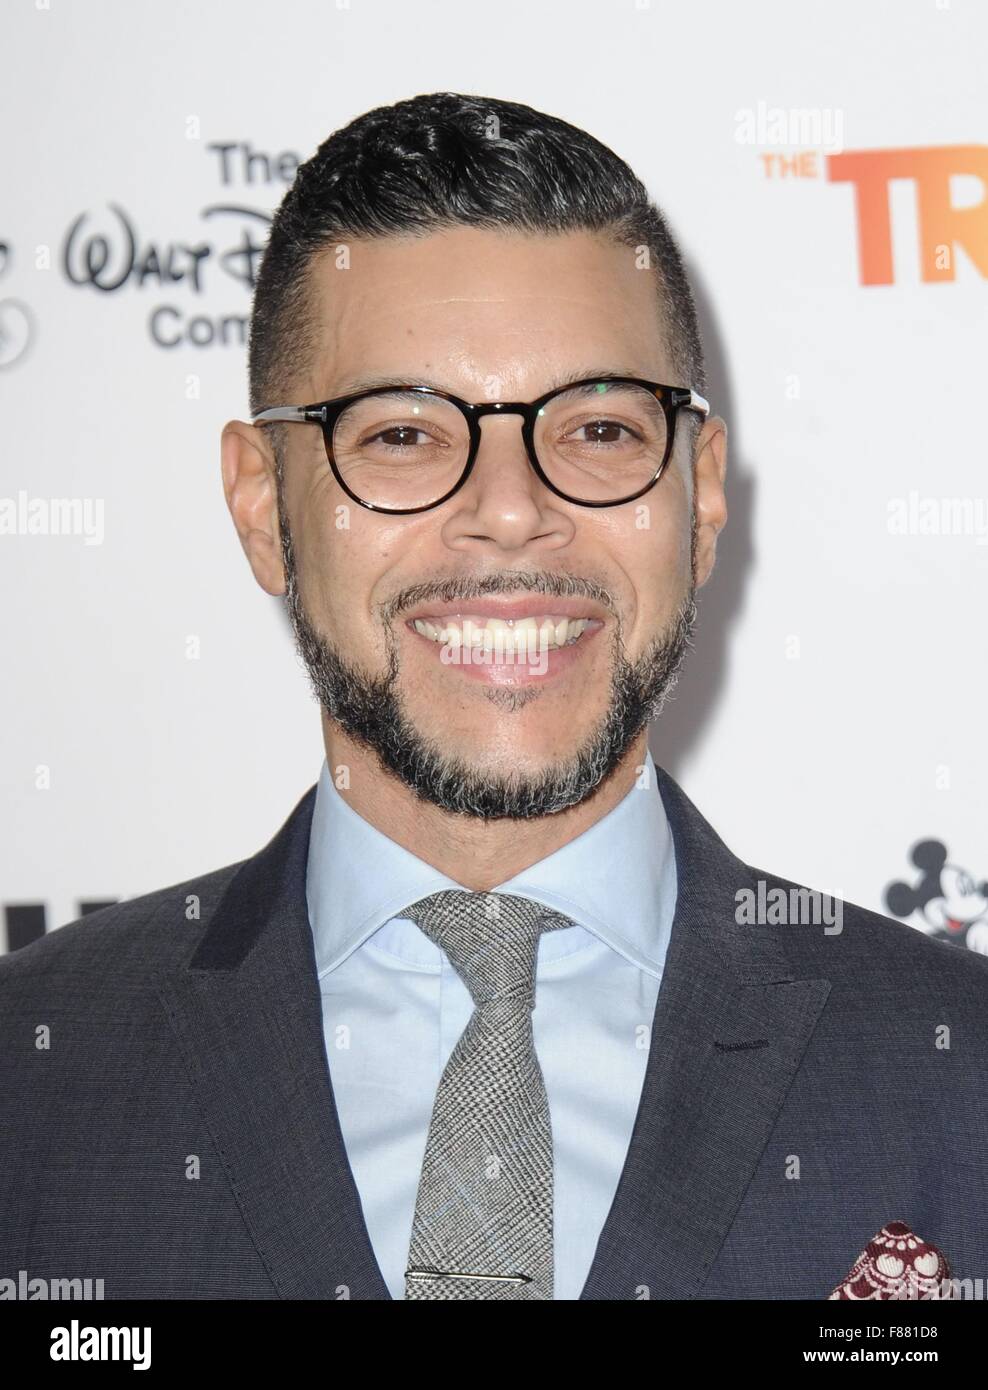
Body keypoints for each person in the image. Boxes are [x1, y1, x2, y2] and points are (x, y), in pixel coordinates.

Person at [2, 92, 986, 1302]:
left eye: (599, 429)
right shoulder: (30, 1074)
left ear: (703, 496)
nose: (513, 511)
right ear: (262, 506)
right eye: (403, 435)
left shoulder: (958, 1073)